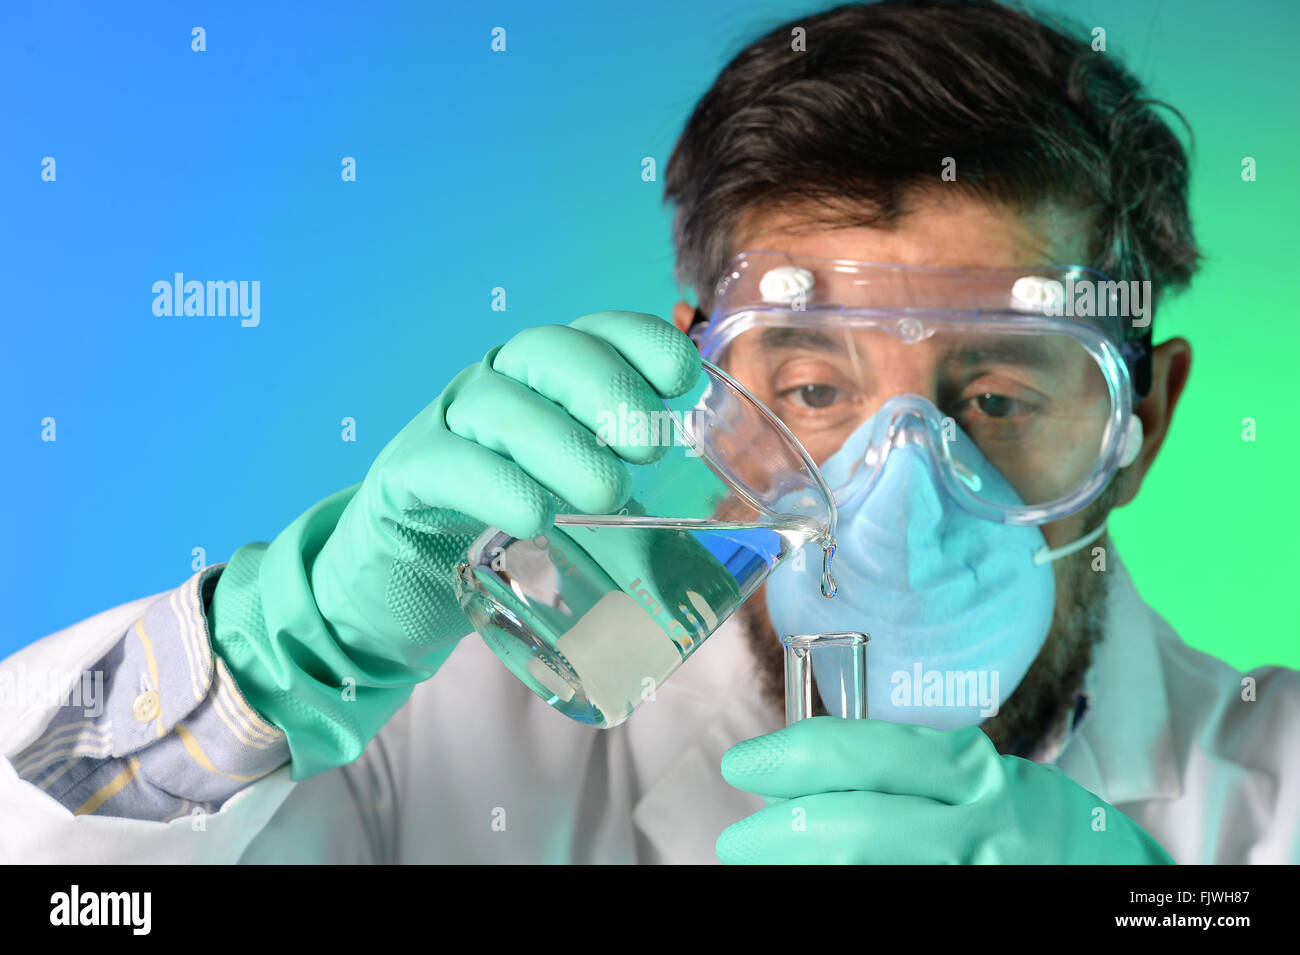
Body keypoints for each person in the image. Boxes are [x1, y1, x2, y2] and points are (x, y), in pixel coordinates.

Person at [3, 0, 1296, 864]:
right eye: (810, 392)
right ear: (699, 386)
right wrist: (269, 666)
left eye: (1000, 400)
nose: (902, 495)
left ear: (1147, 418)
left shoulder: (1272, 782)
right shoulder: (428, 743)